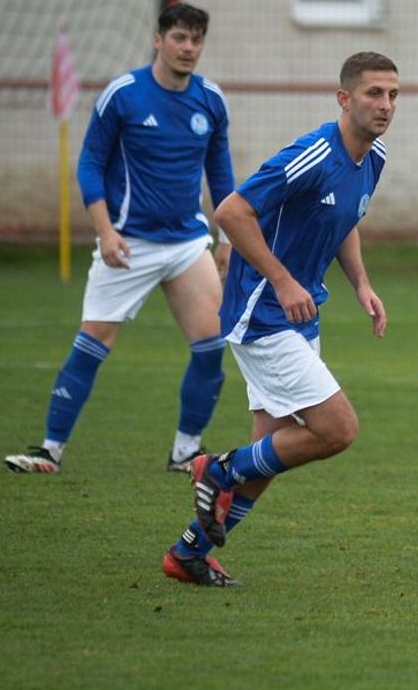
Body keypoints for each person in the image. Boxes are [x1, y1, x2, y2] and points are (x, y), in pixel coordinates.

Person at [161, 51, 396, 587]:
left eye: (393, 95)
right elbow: (231, 212)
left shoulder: (374, 158)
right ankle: (215, 469)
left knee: (272, 453)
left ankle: (188, 554)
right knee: (337, 430)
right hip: (261, 311)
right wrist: (285, 279)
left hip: (301, 313)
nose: (385, 105)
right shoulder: (313, 152)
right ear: (344, 98)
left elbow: (342, 219)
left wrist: (360, 283)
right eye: (373, 94)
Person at [5, 2, 235, 474]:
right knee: (93, 344)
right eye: (179, 38)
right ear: (158, 39)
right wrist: (105, 231)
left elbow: (221, 174)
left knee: (211, 346)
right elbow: (90, 164)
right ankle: (49, 450)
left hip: (188, 242)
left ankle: (186, 452)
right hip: (127, 242)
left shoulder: (211, 100)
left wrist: (227, 237)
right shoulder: (124, 95)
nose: (188, 48)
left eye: (196, 40)